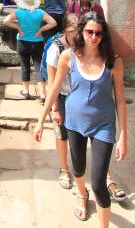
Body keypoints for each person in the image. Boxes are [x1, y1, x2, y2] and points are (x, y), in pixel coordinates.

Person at [34, 12, 128, 227]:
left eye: (98, 33)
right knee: (78, 168)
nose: (94, 37)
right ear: (82, 31)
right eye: (89, 32)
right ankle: (81, 194)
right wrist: (41, 119)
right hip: (74, 122)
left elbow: (120, 100)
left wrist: (123, 135)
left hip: (103, 124)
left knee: (98, 182)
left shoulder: (113, 62)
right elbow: (55, 88)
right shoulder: (69, 56)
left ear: (104, 36)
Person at [44, 13, 78, 190]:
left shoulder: (85, 45)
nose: (77, 34)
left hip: (79, 96)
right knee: (62, 133)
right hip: (63, 96)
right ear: (66, 31)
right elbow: (51, 81)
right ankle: (64, 167)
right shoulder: (56, 48)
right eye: (73, 31)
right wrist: (55, 108)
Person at [4, 0, 57, 102]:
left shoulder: (18, 12)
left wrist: (19, 28)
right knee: (39, 67)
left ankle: (26, 91)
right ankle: (43, 94)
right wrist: (41, 30)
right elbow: (53, 22)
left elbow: (6, 21)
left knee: (25, 66)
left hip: (22, 41)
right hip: (37, 41)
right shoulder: (40, 12)